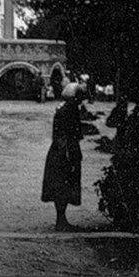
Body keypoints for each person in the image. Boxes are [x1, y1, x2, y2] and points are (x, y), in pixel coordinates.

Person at [41, 82, 84, 230]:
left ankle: (61, 219)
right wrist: (70, 154)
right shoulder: (70, 110)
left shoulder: (62, 108)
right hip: (66, 151)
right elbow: (72, 134)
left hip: (59, 150)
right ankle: (61, 220)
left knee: (60, 185)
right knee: (64, 185)